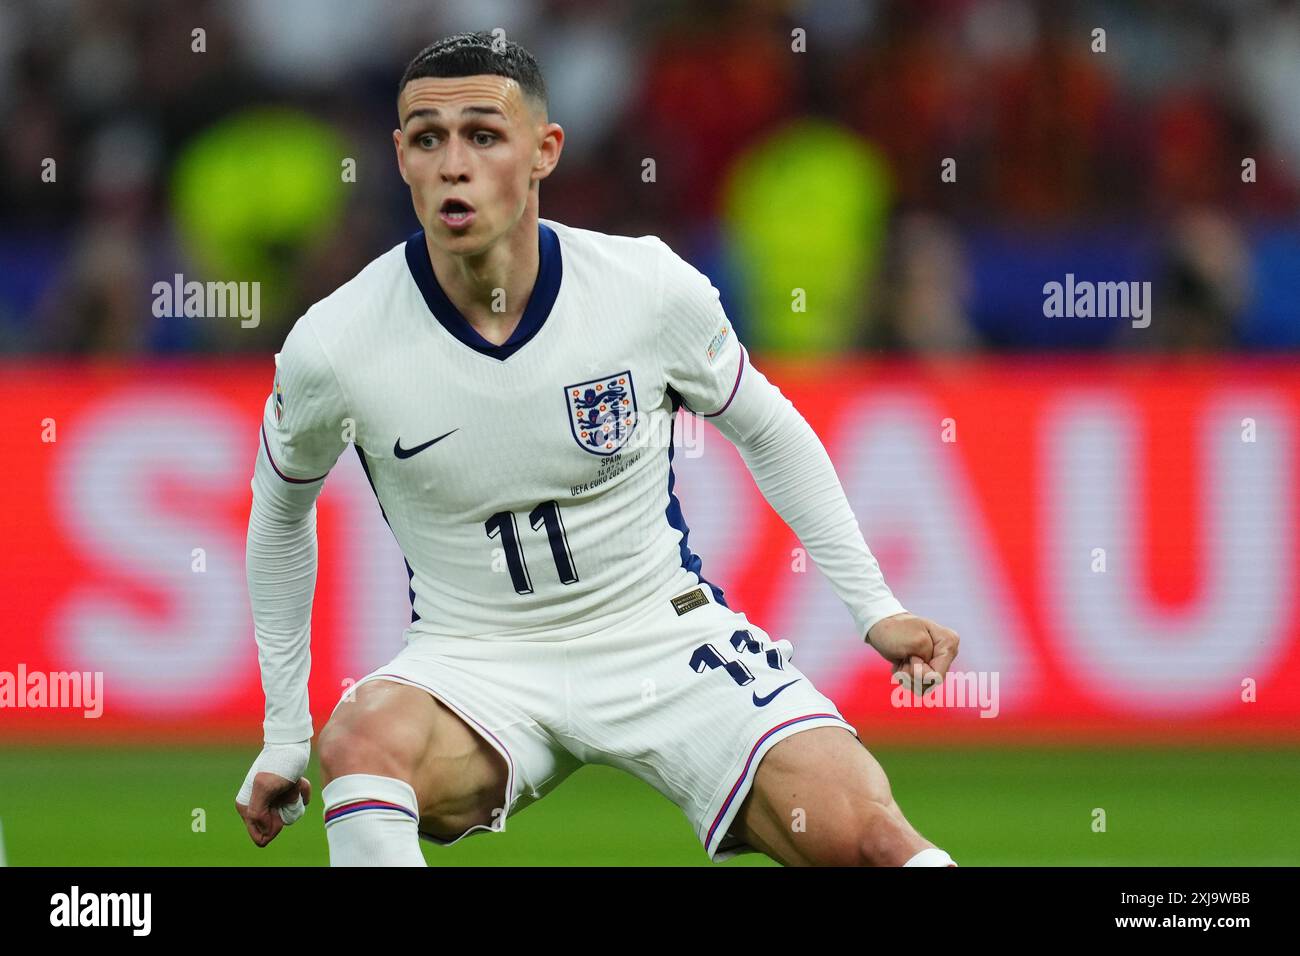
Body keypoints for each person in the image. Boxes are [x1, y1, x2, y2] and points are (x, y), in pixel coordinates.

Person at [234, 31, 960, 867]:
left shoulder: (644, 289)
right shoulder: (335, 344)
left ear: (544, 151)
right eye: (428, 138)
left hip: (660, 634)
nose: (453, 163)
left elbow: (768, 428)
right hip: (474, 661)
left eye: (483, 134)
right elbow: (279, 514)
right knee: (361, 739)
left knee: (872, 841)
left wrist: (875, 607)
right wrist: (285, 732)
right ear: (399, 157)